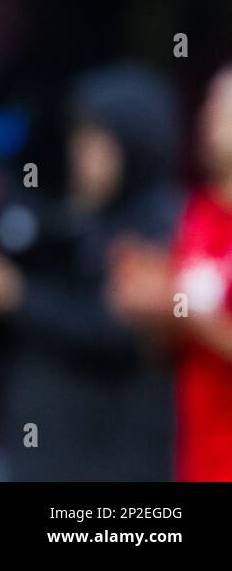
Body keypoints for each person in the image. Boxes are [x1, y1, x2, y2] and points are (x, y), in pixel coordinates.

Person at [0, 62, 181, 480]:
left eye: (99, 138)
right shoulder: (67, 225)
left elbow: (119, 334)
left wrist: (15, 295)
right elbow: (12, 339)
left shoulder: (164, 227)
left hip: (115, 463)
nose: (82, 153)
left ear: (136, 140)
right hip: (39, 453)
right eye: (79, 137)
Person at [107, 65, 232, 480]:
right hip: (195, 463)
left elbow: (194, 315)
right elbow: (163, 354)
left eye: (221, 105)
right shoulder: (197, 215)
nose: (207, 116)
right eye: (207, 104)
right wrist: (144, 302)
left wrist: (177, 304)